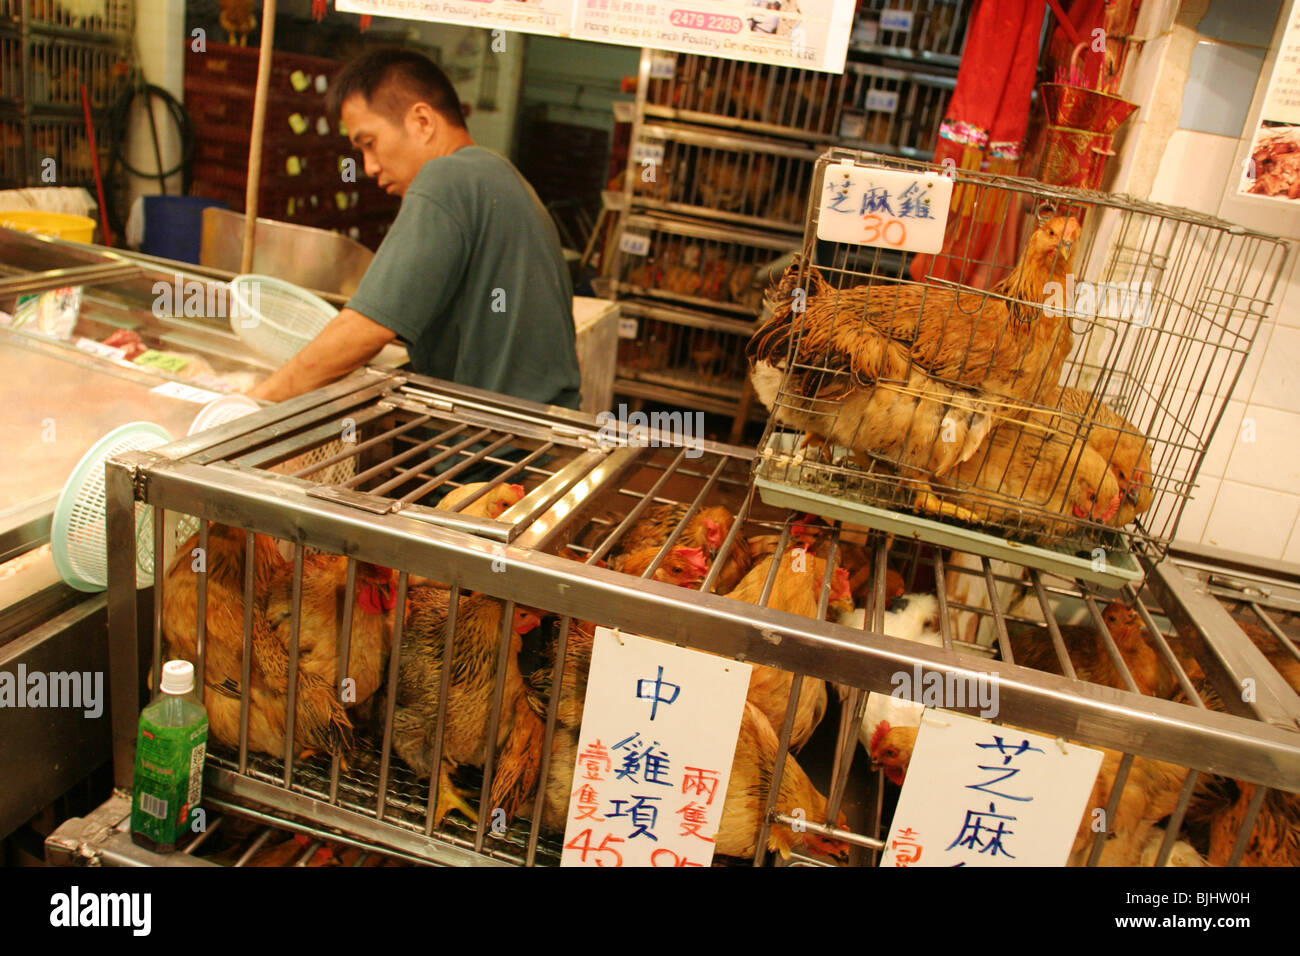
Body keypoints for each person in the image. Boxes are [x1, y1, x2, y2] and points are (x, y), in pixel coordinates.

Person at [247, 48, 582, 411]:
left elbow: (367, 328)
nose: (370, 167)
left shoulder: (446, 178)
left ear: (422, 121)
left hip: (499, 451)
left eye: (370, 144)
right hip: (547, 436)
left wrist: (252, 402)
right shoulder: (497, 174)